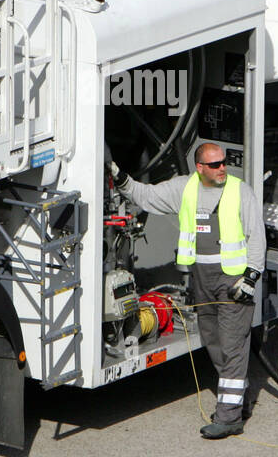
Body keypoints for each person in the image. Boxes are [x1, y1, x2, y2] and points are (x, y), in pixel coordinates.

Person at [108, 142, 265, 439]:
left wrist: (251, 277)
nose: (223, 168)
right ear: (200, 167)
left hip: (233, 280)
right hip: (202, 280)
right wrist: (120, 178)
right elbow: (147, 196)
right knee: (211, 338)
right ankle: (238, 394)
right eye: (215, 164)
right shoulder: (185, 188)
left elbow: (256, 236)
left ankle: (229, 416)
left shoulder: (239, 191)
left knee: (232, 344)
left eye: (224, 163)